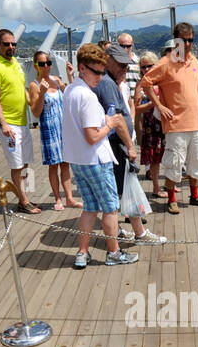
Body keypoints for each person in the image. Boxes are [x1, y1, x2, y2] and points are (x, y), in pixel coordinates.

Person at [62, 44, 139, 269]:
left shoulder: (70, 90)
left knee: (90, 207)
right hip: (96, 160)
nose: (100, 77)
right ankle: (113, 253)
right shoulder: (86, 96)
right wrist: (111, 123)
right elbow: (92, 136)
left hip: (78, 160)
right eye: (96, 72)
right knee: (110, 208)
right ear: (82, 68)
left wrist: (102, 123)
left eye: (103, 71)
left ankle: (82, 252)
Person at [138, 22, 198, 214]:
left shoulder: (193, 61)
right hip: (176, 125)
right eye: (183, 40)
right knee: (174, 163)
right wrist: (159, 105)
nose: (187, 44)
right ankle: (171, 199)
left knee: (197, 160)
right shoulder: (166, 62)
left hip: (195, 123)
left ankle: (195, 196)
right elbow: (146, 83)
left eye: (190, 40)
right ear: (176, 40)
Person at [101, 42, 165, 243]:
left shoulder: (110, 81)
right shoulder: (108, 83)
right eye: (122, 65)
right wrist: (130, 146)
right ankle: (140, 234)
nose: (126, 69)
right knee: (128, 188)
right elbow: (117, 118)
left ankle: (121, 230)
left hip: (114, 144)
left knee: (123, 189)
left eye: (128, 65)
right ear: (108, 61)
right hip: (116, 145)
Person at [0, 28, 41, 214]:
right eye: (6, 44)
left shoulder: (15, 62)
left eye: (13, 44)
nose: (11, 47)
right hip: (9, 124)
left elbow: (21, 89)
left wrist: (33, 105)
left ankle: (23, 197)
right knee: (16, 165)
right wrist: (4, 124)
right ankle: (24, 202)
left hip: (22, 121)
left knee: (24, 162)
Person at [28, 51, 76, 210]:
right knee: (53, 165)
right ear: (36, 66)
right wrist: (41, 93)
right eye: (42, 64)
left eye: (48, 63)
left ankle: (69, 198)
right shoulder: (34, 85)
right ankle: (58, 199)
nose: (46, 66)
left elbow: (70, 97)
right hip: (49, 128)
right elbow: (35, 112)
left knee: (65, 164)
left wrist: (70, 77)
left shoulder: (57, 80)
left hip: (64, 127)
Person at [134, 50, 166, 198]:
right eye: (143, 67)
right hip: (150, 126)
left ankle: (169, 185)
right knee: (154, 159)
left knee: (168, 155)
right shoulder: (140, 85)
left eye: (149, 66)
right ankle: (156, 187)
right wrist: (153, 104)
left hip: (165, 123)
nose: (146, 69)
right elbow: (137, 108)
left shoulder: (162, 81)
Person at [117, 32, 141, 102]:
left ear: (132, 45)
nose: (125, 49)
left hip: (137, 104)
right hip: (121, 103)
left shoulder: (140, 62)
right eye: (122, 46)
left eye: (128, 46)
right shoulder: (114, 64)